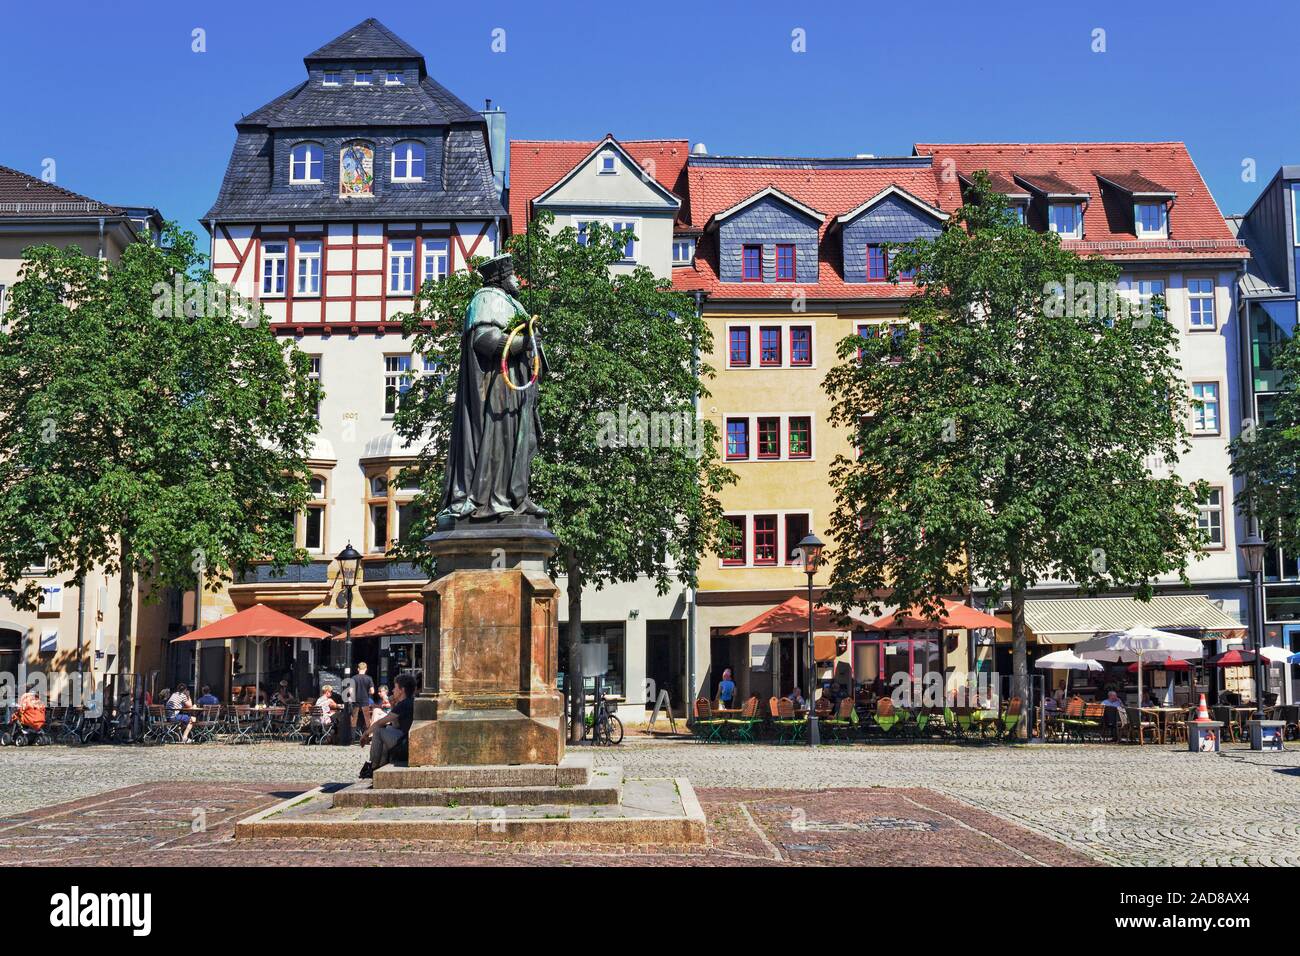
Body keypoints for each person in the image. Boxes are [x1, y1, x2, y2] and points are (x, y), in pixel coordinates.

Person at [359, 673, 416, 779]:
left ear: (401, 690)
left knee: (379, 731)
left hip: (405, 744)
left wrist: (366, 734)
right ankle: (381, 765)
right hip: (405, 741)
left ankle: (373, 767)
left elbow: (380, 722)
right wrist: (393, 704)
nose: (393, 691)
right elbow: (396, 726)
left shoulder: (404, 704)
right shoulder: (408, 702)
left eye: (395, 687)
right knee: (385, 733)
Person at [350, 662, 375, 733]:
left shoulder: (353, 678)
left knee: (354, 719)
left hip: (356, 700)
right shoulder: (369, 678)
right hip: (365, 700)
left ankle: (352, 738)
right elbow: (372, 691)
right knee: (367, 719)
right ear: (366, 669)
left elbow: (350, 691)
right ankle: (367, 736)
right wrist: (367, 692)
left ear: (358, 669)